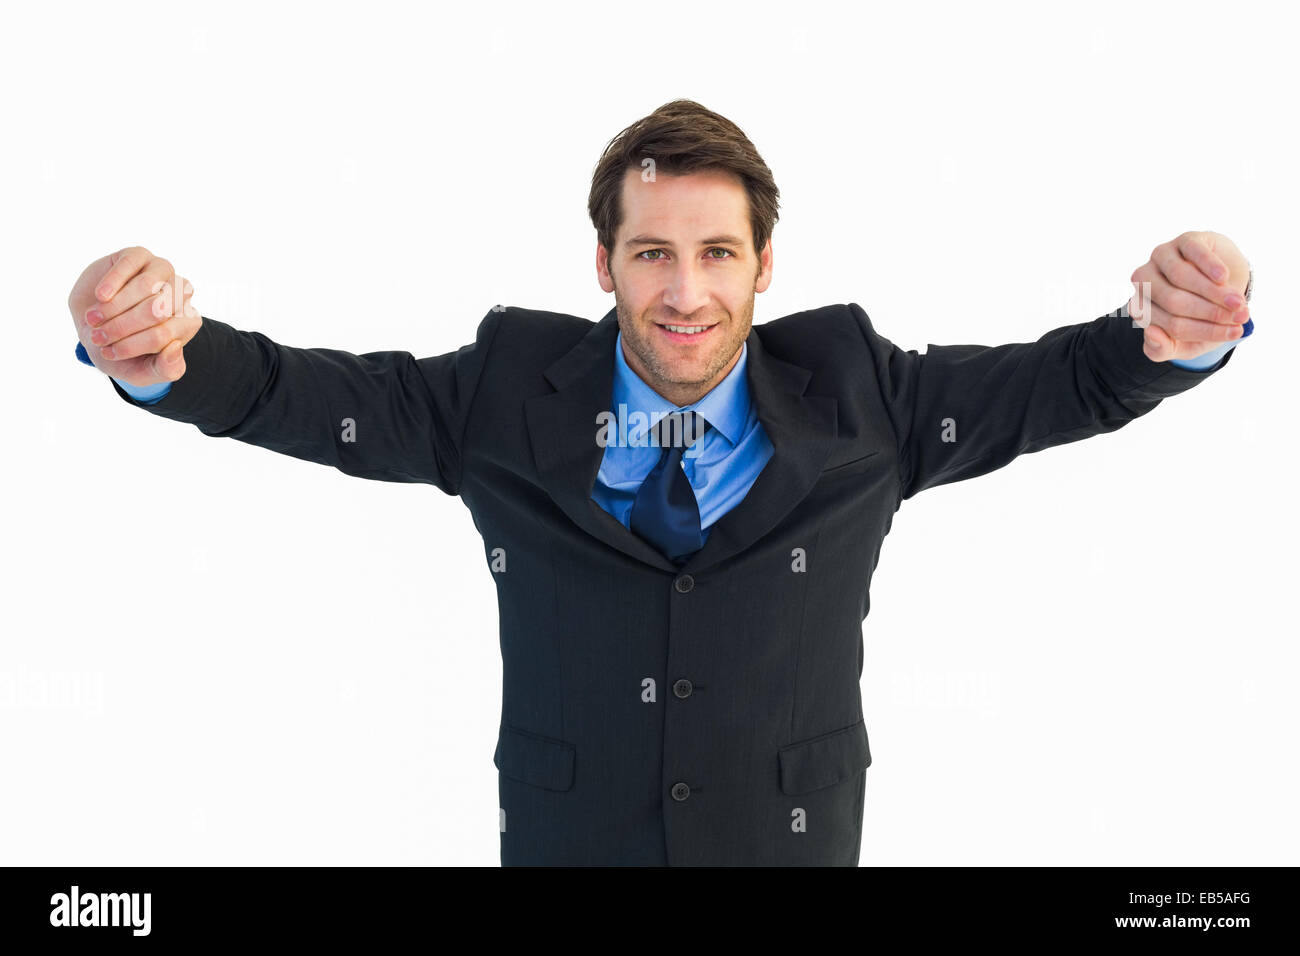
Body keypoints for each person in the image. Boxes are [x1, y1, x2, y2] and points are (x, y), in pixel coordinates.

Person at [66, 99, 1253, 866]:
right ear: (603, 262)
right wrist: (171, 354)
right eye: (651, 252)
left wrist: (1169, 329)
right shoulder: (498, 393)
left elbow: (1062, 384)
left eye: (716, 252)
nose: (685, 290)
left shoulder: (862, 394)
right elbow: (301, 393)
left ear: (763, 263)